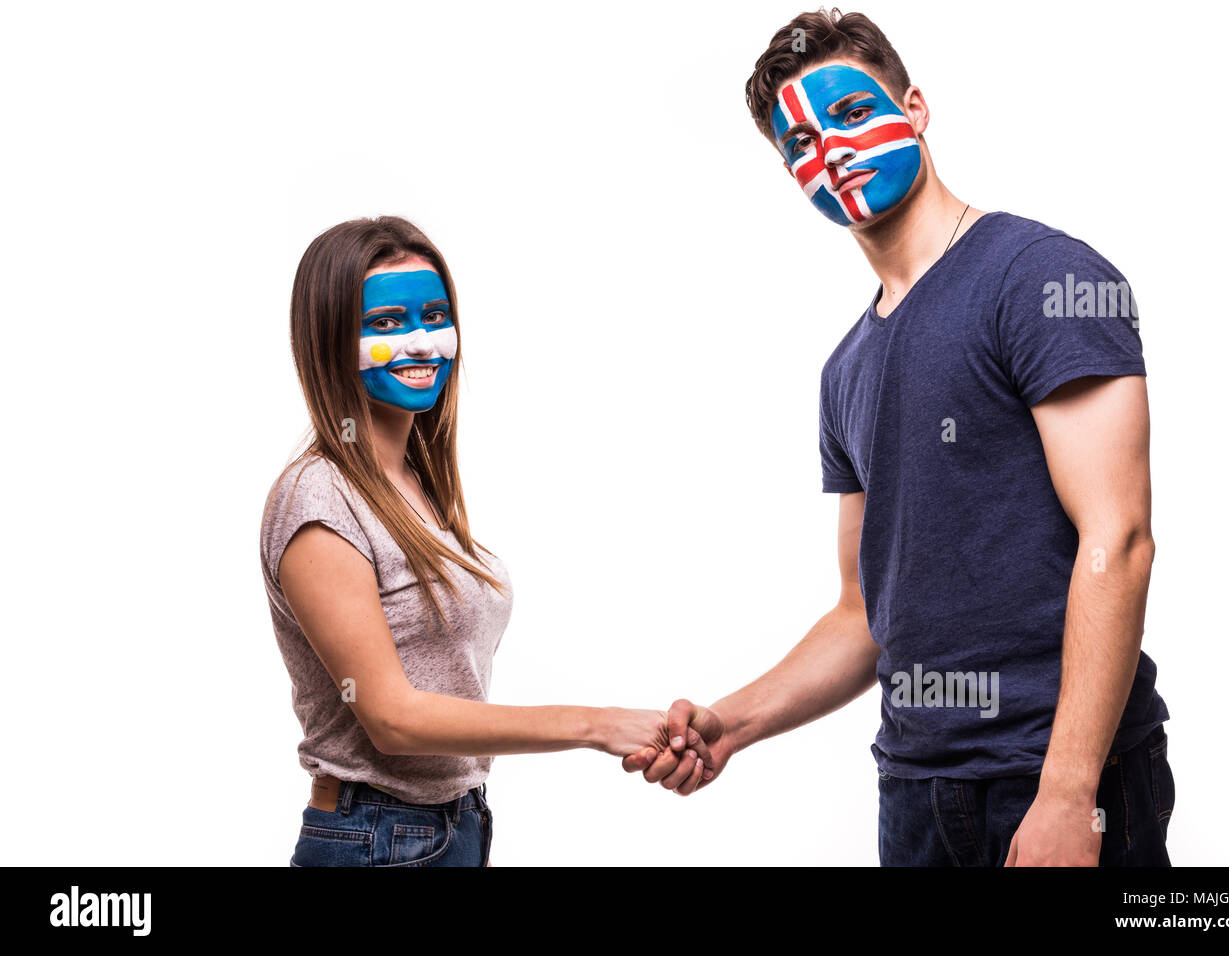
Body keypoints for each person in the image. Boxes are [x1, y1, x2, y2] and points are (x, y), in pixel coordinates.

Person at [625, 8, 1174, 867]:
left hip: (1056, 775)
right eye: (799, 143)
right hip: (914, 792)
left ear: (915, 107)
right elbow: (864, 615)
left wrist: (1069, 789)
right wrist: (731, 723)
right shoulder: (846, 368)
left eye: (849, 114)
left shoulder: (1042, 277)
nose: (830, 150)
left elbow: (1122, 538)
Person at [261, 216, 711, 867]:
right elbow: (390, 717)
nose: (421, 342)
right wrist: (598, 724)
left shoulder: (417, 484)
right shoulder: (319, 498)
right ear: (330, 339)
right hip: (377, 837)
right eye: (386, 324)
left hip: (449, 827)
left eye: (434, 316)